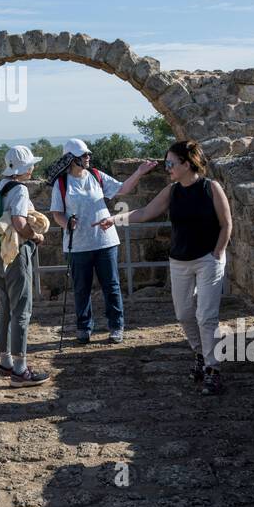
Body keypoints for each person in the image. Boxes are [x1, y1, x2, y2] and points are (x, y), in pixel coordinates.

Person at [99, 140, 233, 394]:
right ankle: (200, 354)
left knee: (206, 316)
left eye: (171, 163)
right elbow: (145, 212)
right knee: (184, 314)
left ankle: (213, 370)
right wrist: (114, 219)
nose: (167, 168)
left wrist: (218, 252)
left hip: (208, 260)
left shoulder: (211, 188)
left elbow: (226, 223)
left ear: (186, 163)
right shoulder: (172, 191)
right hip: (179, 260)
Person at [48, 138, 157, 344]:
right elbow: (57, 214)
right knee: (81, 288)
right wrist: (67, 224)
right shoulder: (61, 184)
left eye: (88, 154)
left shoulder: (96, 176)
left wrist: (140, 172)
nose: (88, 157)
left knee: (111, 286)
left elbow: (122, 189)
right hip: (78, 245)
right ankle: (83, 327)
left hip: (105, 242)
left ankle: (116, 326)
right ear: (72, 159)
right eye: (84, 155)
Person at [0, 145, 50, 387]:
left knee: (5, 303)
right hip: (15, 251)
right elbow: (19, 221)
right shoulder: (20, 189)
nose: (34, 168)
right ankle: (21, 370)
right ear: (24, 167)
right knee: (22, 307)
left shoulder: (0, 185)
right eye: (31, 164)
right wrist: (34, 236)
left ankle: (5, 361)